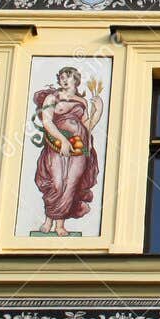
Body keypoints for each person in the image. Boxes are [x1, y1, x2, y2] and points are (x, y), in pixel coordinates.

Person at [33, 66, 104, 236]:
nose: (64, 80)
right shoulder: (52, 98)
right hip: (57, 145)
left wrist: (98, 111)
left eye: (69, 77)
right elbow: (47, 121)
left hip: (79, 146)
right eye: (62, 77)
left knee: (71, 184)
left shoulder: (82, 102)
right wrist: (62, 140)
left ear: (76, 80)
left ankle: (60, 224)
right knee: (57, 182)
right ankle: (48, 220)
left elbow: (87, 126)